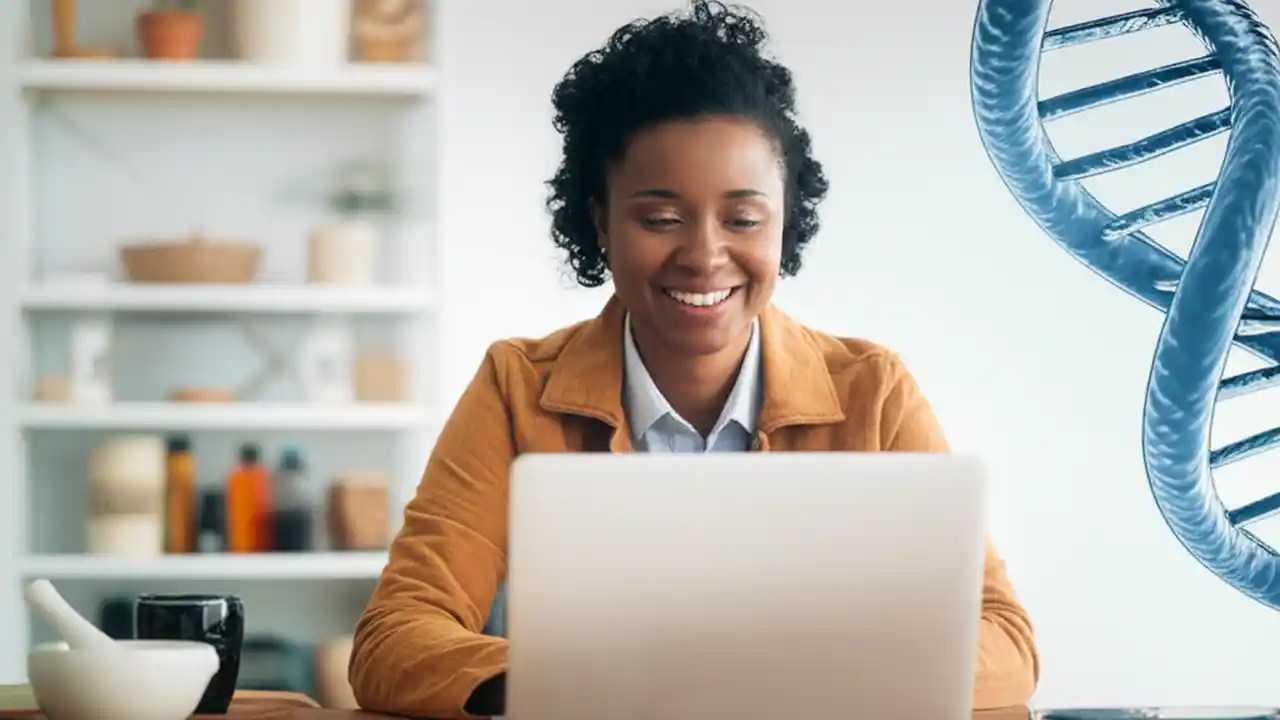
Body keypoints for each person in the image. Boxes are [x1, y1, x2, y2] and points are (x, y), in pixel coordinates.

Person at [348, 1, 1040, 717]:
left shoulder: (874, 394)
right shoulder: (518, 390)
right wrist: (570, 683)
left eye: (743, 219)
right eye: (660, 218)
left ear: (784, 222)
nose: (706, 256)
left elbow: (1006, 644)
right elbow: (394, 638)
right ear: (600, 221)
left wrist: (766, 679)